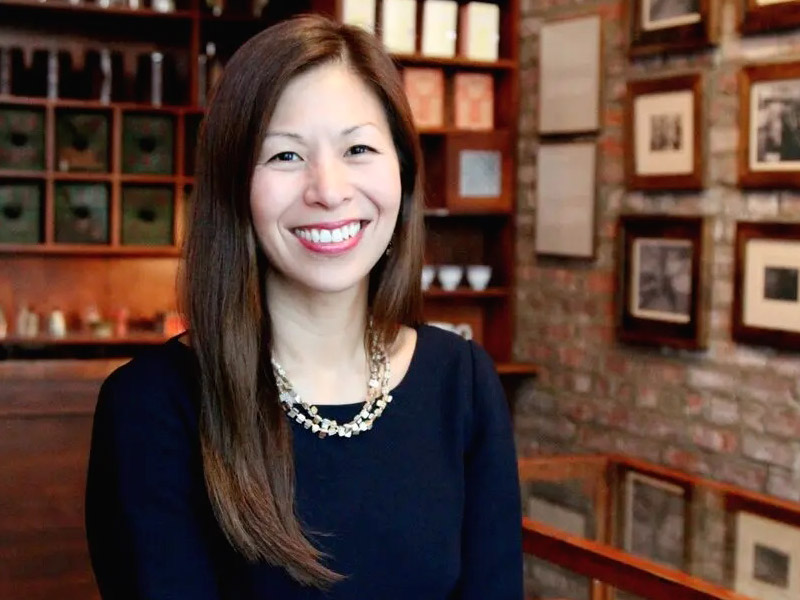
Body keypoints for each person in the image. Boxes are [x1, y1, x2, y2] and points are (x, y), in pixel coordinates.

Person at [85, 14, 523, 600]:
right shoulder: (151, 406)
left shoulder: (462, 383)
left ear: (404, 173)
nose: (329, 189)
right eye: (286, 157)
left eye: (359, 148)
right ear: (234, 187)